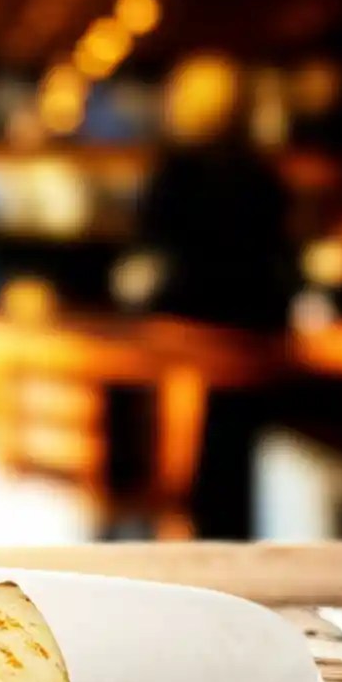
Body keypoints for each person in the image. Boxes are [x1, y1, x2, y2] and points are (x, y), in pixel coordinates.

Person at [125, 53, 298, 538]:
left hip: (177, 349)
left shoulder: (169, 177)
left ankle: (171, 523)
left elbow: (147, 264)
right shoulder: (264, 179)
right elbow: (281, 269)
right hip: (250, 353)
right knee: (237, 462)